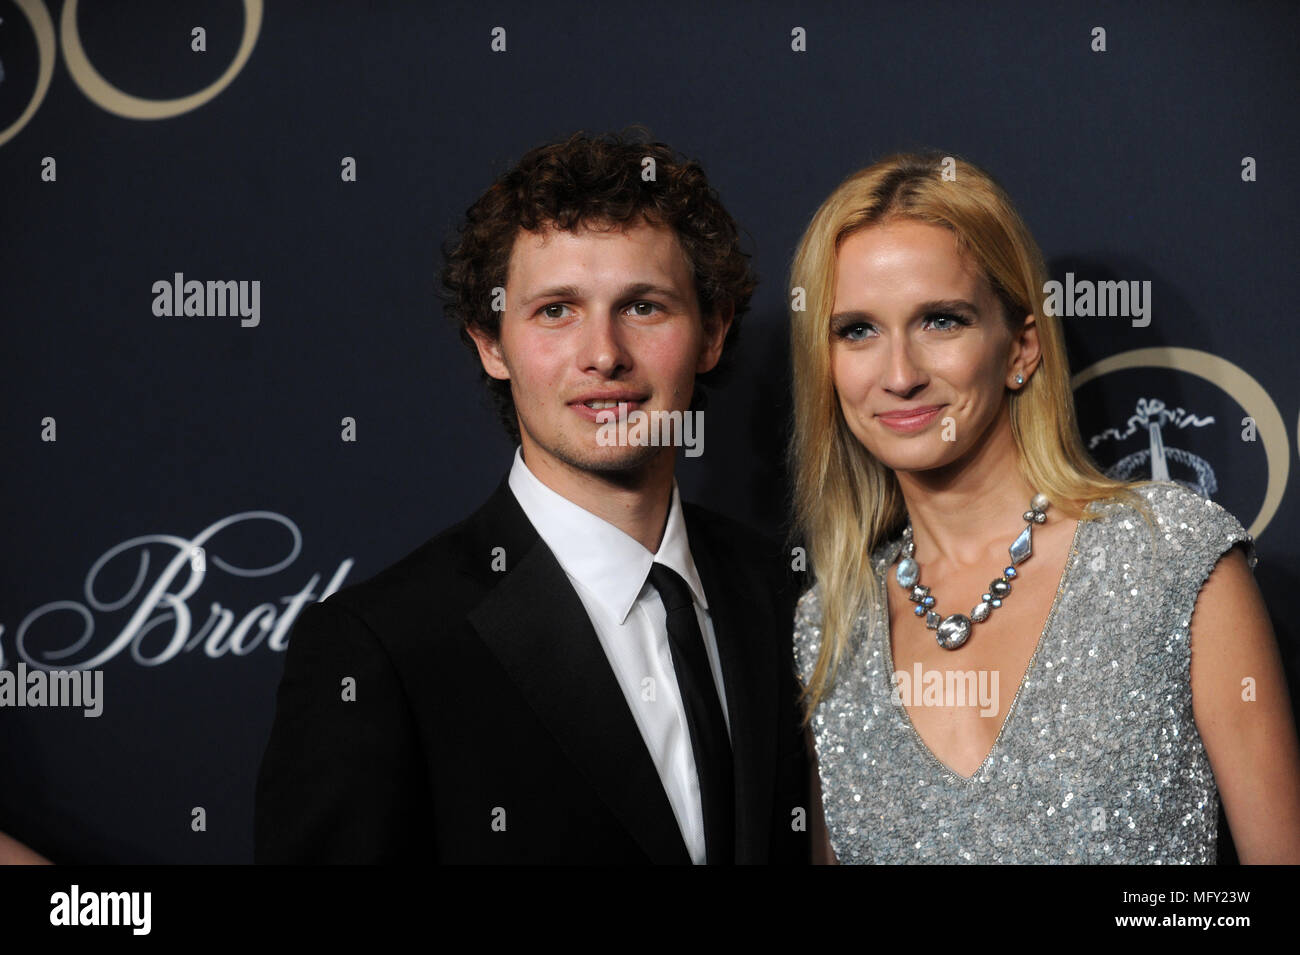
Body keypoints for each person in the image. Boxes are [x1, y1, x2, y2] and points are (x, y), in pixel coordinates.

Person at [254, 130, 811, 864]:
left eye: (643, 306)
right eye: (556, 310)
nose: (603, 353)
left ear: (712, 332)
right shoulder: (381, 650)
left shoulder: (791, 595)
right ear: (490, 342)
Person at [787, 152, 1300, 864]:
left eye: (941, 320)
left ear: (1022, 347)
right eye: (858, 330)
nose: (899, 374)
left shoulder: (1168, 557)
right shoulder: (828, 626)